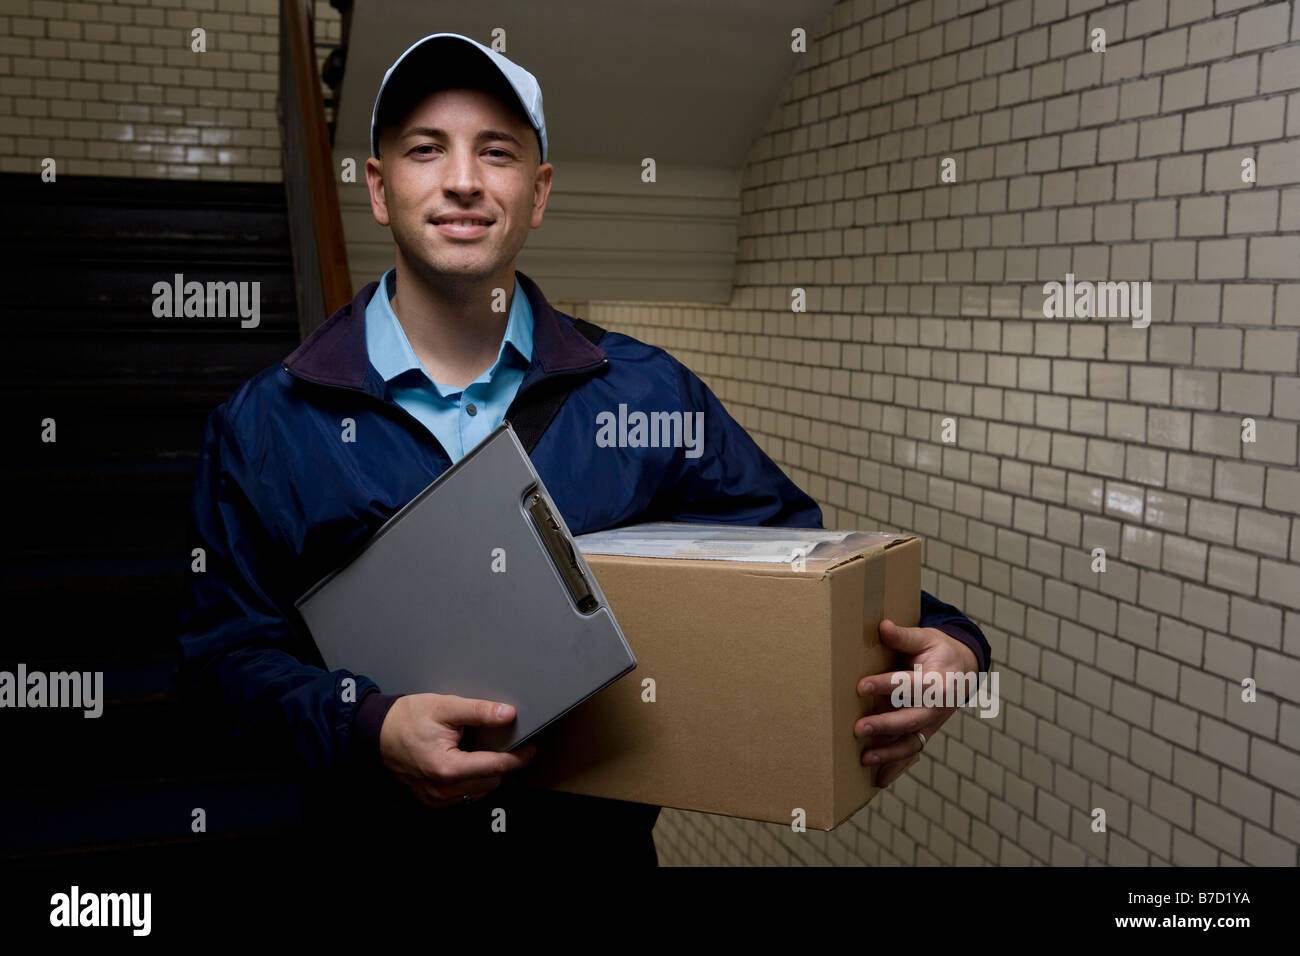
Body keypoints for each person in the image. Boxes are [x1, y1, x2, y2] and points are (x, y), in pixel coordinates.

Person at [176, 33, 991, 866]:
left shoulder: (645, 393)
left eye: (497, 152)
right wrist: (366, 723)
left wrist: (948, 638)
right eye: (427, 150)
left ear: (538, 192)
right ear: (380, 189)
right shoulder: (266, 424)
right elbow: (222, 669)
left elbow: (792, 558)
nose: (463, 179)